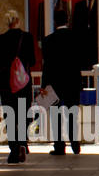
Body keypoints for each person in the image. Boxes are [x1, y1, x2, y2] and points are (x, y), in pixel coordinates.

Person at [41, 9, 82, 156]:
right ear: (67, 20)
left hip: (55, 83)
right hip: (72, 82)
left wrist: (44, 85)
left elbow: (46, 66)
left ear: (55, 22)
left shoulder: (48, 40)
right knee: (72, 113)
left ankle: (59, 146)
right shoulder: (76, 38)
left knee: (55, 115)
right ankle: (75, 144)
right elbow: (80, 60)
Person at [0, 10, 35, 164]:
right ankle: (22, 142)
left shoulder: (1, 39)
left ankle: (13, 149)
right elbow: (33, 60)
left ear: (7, 23)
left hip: (6, 85)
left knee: (10, 116)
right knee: (23, 115)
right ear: (18, 21)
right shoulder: (27, 37)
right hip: (23, 84)